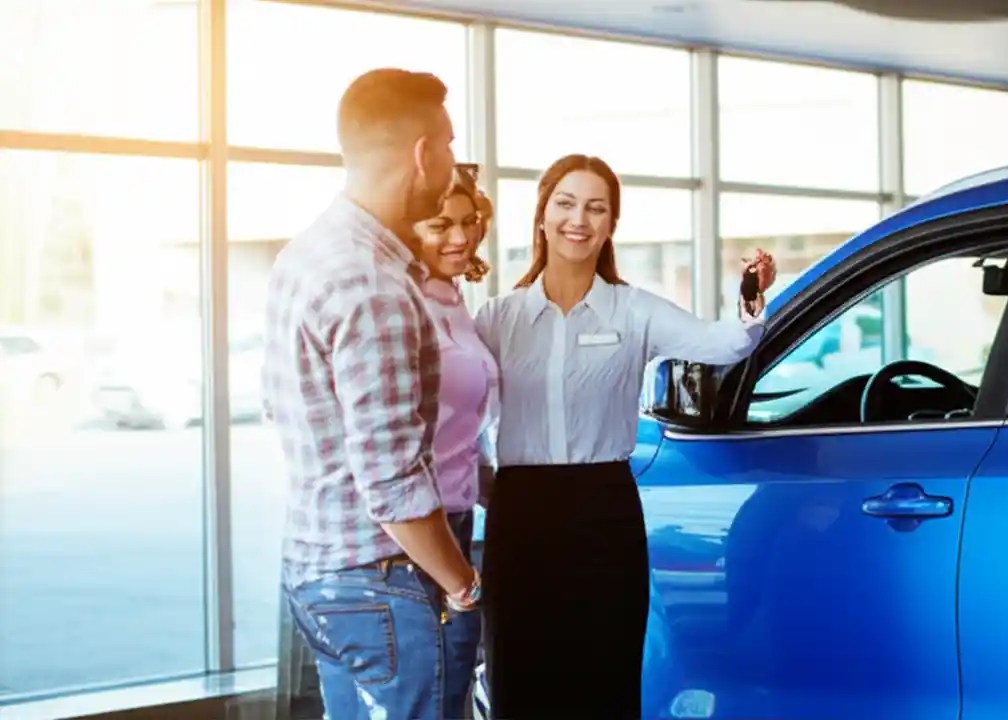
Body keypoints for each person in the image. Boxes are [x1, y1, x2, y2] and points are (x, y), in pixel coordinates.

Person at [473, 153, 776, 718]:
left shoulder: (632, 310)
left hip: (603, 511)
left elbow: (723, 344)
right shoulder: (497, 317)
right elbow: (457, 403)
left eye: (596, 208)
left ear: (611, 224)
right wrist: (478, 478)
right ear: (542, 215)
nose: (578, 219)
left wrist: (751, 298)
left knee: (604, 682)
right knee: (519, 682)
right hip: (520, 514)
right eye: (565, 204)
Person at [262, 68, 482, 720]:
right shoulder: (375, 284)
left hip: (314, 573)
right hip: (384, 584)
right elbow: (393, 485)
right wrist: (463, 586)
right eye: (447, 144)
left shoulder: (302, 256)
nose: (450, 162)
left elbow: (280, 404)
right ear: (423, 153)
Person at [408, 162, 499, 716]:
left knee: (452, 692)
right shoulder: (404, 299)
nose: (461, 237)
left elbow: (464, 429)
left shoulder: (452, 297)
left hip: (459, 519)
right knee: (429, 696)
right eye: (441, 225)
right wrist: (459, 582)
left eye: (468, 222)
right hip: (416, 535)